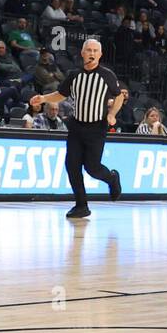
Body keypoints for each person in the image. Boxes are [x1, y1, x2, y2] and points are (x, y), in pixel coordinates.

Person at [29, 38, 127, 219]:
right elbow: (60, 95)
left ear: (100, 54)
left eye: (95, 51)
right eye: (88, 50)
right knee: (72, 165)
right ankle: (81, 205)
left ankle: (112, 177)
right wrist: (43, 99)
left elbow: (119, 96)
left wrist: (112, 114)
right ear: (82, 53)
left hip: (97, 127)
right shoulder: (74, 75)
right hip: (76, 126)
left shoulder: (107, 75)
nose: (91, 53)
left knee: (92, 168)